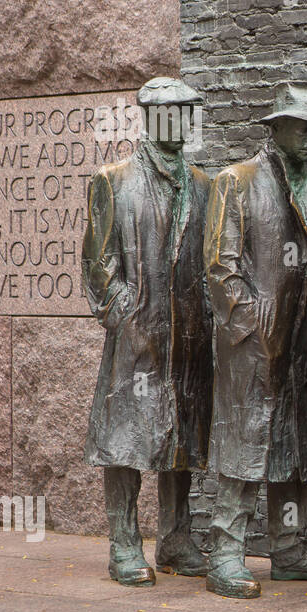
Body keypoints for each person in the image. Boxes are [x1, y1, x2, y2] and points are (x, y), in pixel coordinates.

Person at [202, 82, 307, 598]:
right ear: (276, 128)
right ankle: (226, 551)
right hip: (254, 343)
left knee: (296, 441)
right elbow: (220, 267)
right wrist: (251, 326)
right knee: (246, 444)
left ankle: (288, 547)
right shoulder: (237, 181)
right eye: (304, 128)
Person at [82, 76, 213, 586]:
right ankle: (123, 541)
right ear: (150, 116)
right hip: (137, 336)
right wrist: (124, 313)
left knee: (180, 433)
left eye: (187, 112)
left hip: (188, 337)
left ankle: (177, 538)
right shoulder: (113, 180)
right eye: (172, 112)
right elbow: (98, 263)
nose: (182, 121)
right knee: (127, 438)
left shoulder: (203, 185)